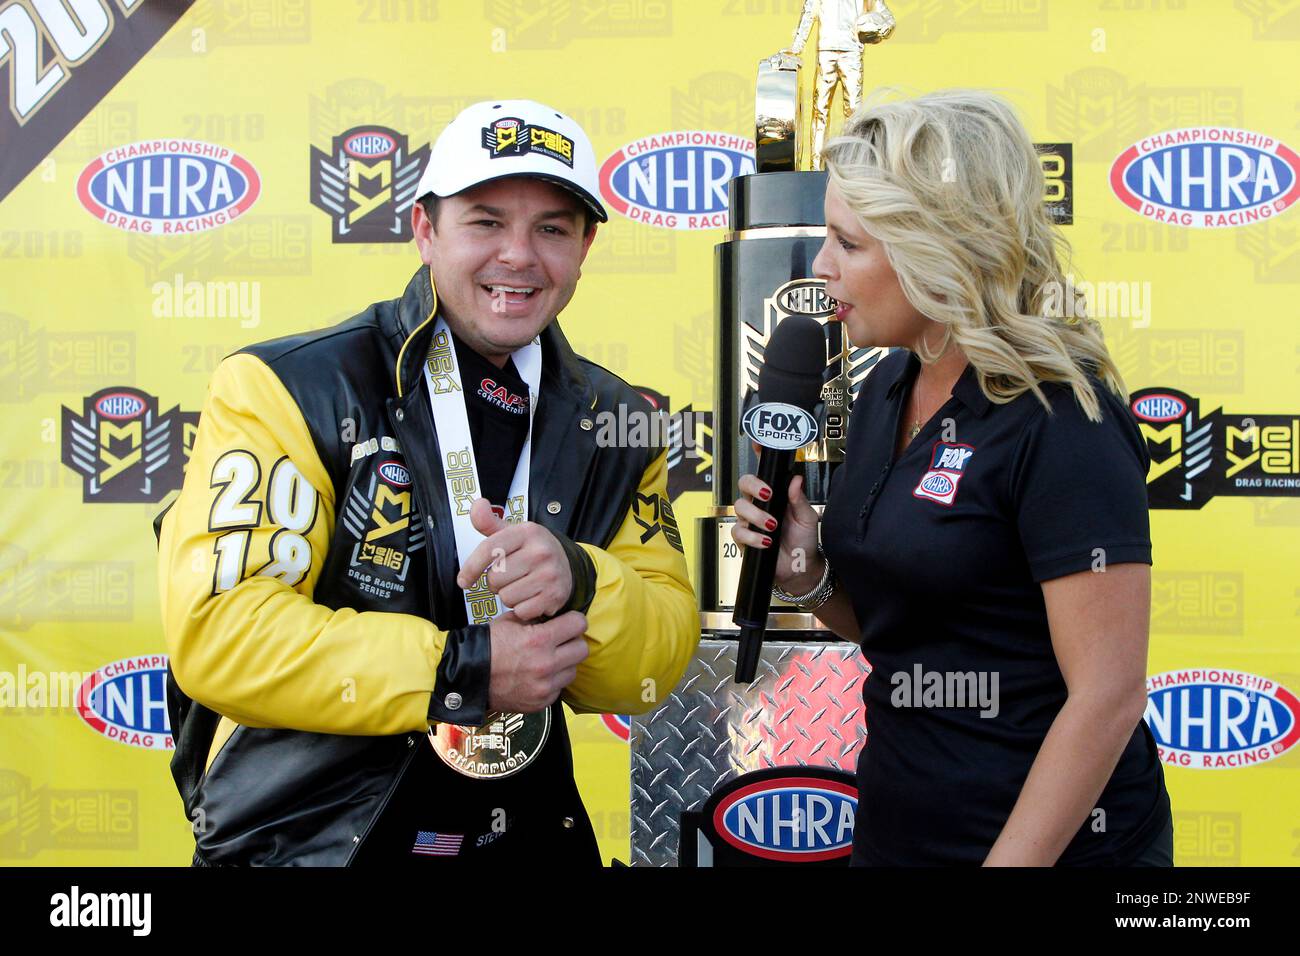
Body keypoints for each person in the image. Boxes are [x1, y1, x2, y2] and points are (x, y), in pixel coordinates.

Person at [154, 99, 699, 866]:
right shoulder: (289, 388)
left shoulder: (618, 420)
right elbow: (225, 635)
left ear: (585, 247)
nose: (519, 256)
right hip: (312, 848)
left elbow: (655, 663)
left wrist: (581, 580)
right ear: (424, 229)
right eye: (485, 222)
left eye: (552, 229)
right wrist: (464, 670)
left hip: (524, 840)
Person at [732, 89, 1173, 866]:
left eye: (848, 243)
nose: (822, 266)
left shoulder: (1061, 420)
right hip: (900, 834)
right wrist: (808, 575)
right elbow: (910, 632)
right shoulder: (885, 387)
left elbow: (1107, 698)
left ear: (938, 248)